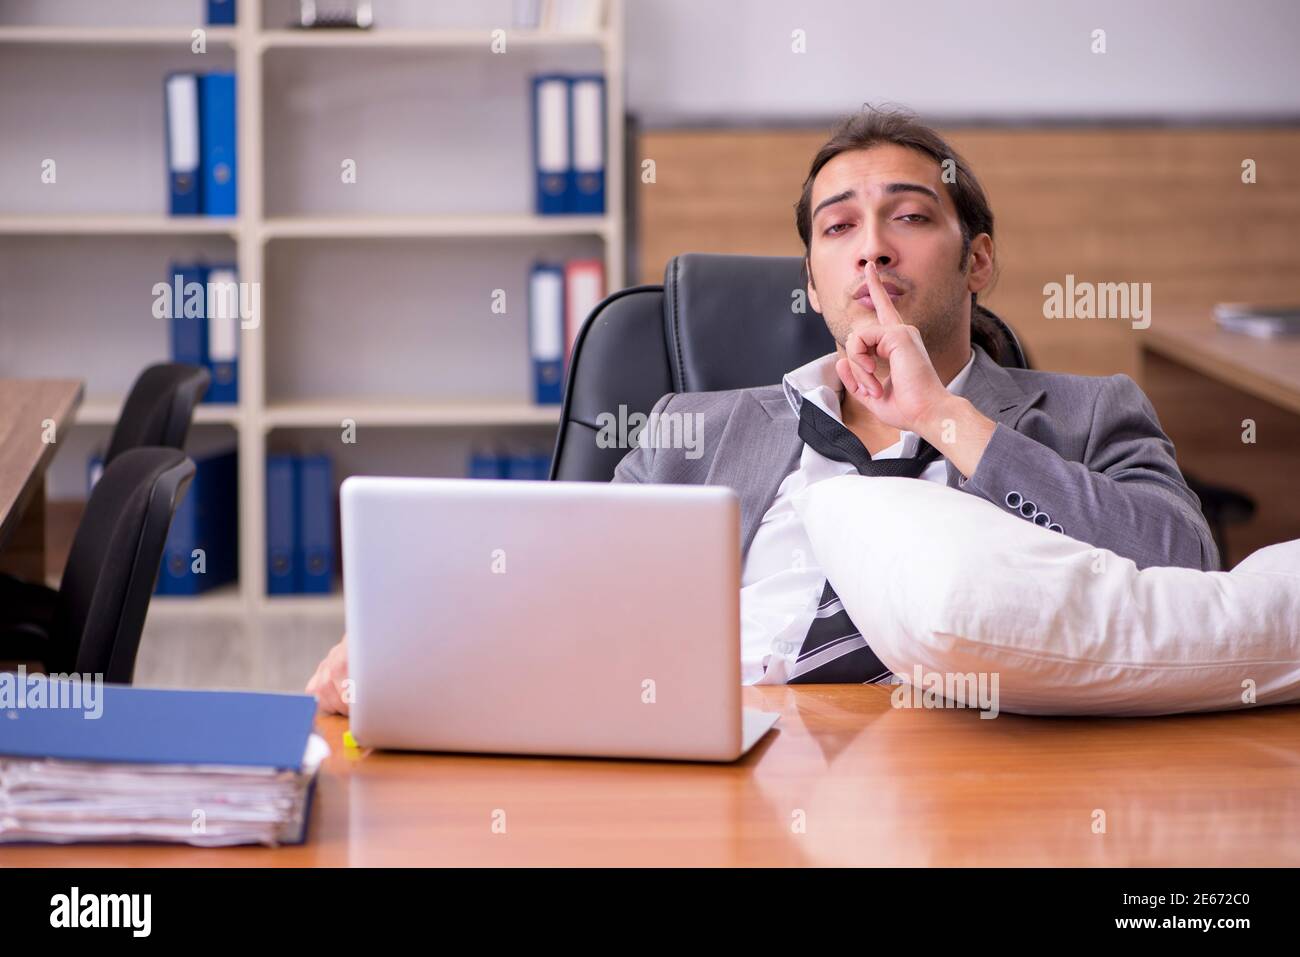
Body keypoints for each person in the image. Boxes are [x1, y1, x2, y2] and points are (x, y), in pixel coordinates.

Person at [307, 105, 1216, 710]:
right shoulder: (690, 431)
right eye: (838, 227)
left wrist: (945, 418)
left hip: (966, 765)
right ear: (813, 285)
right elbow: (564, 581)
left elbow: (1187, 566)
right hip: (724, 749)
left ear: (977, 260)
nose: (871, 250)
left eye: (908, 217)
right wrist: (416, 634)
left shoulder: (1091, 412)